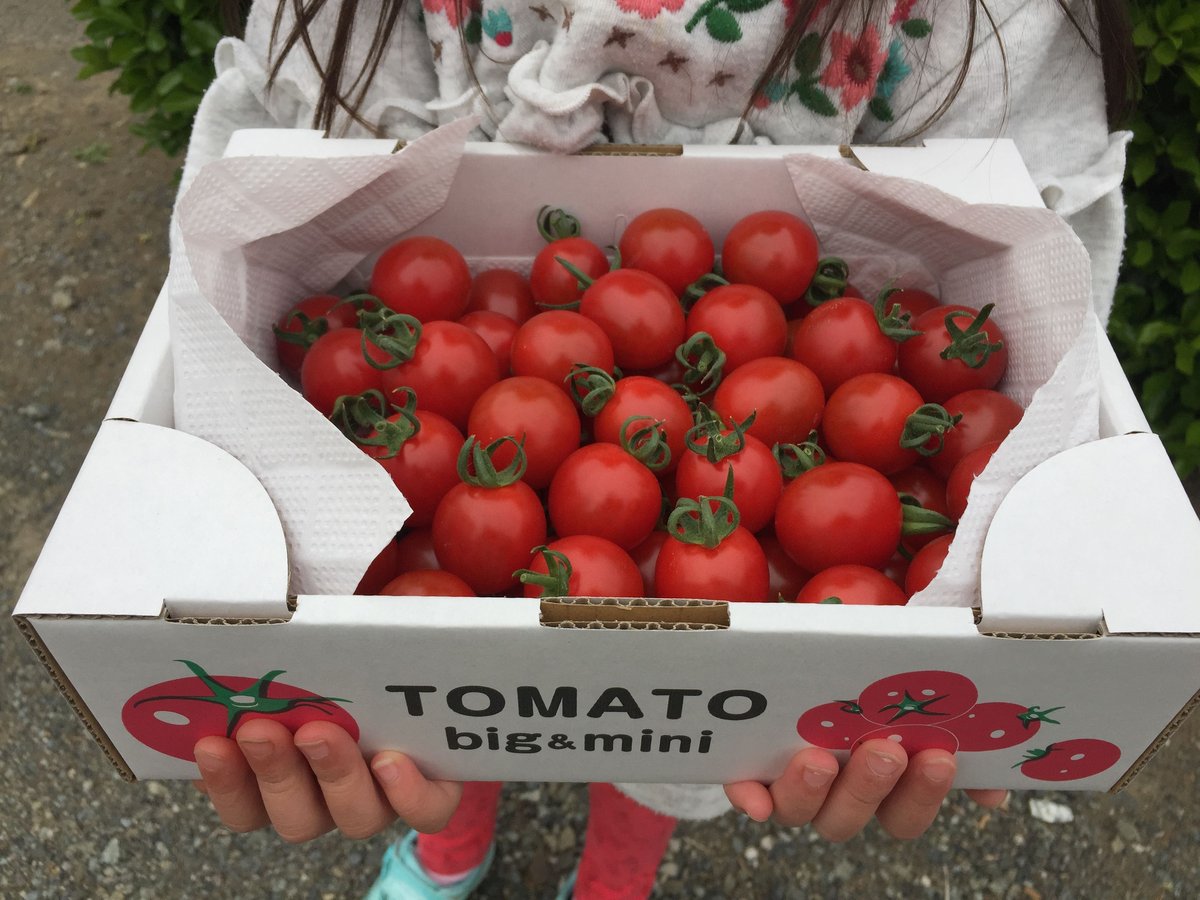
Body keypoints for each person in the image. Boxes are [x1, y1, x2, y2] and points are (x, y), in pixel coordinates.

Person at [186, 1, 1134, 897]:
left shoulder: (993, 24)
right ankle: (448, 848)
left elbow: (1047, 254)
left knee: (669, 752)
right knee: (438, 730)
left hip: (713, 666)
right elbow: (268, 176)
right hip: (477, 641)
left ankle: (611, 878)